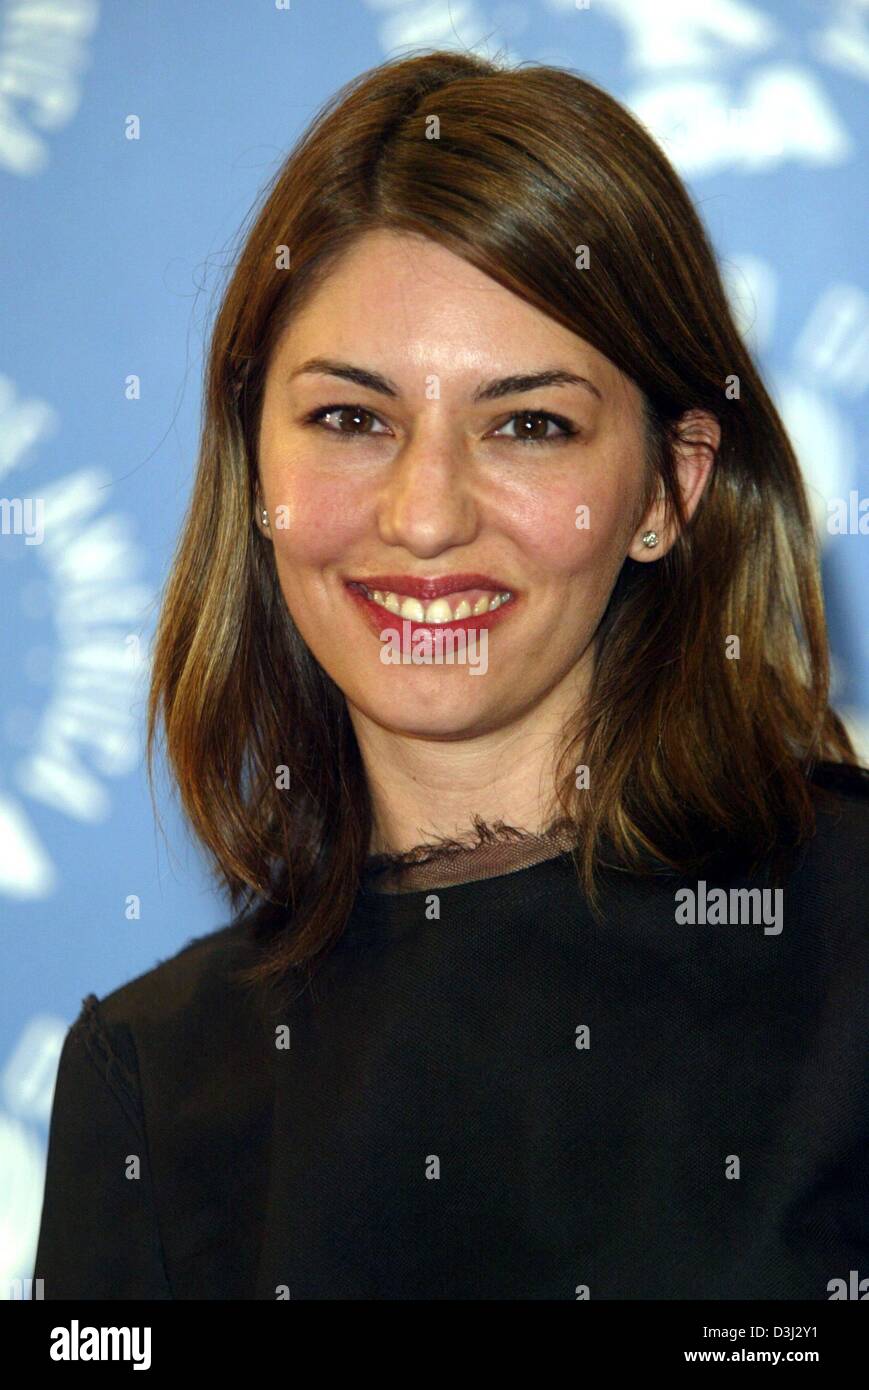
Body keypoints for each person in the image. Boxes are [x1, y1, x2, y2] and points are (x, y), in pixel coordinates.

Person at [34, 48, 868, 1301]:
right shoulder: (151, 1079)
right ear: (255, 467)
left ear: (669, 487)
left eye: (527, 423)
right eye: (351, 420)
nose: (424, 517)